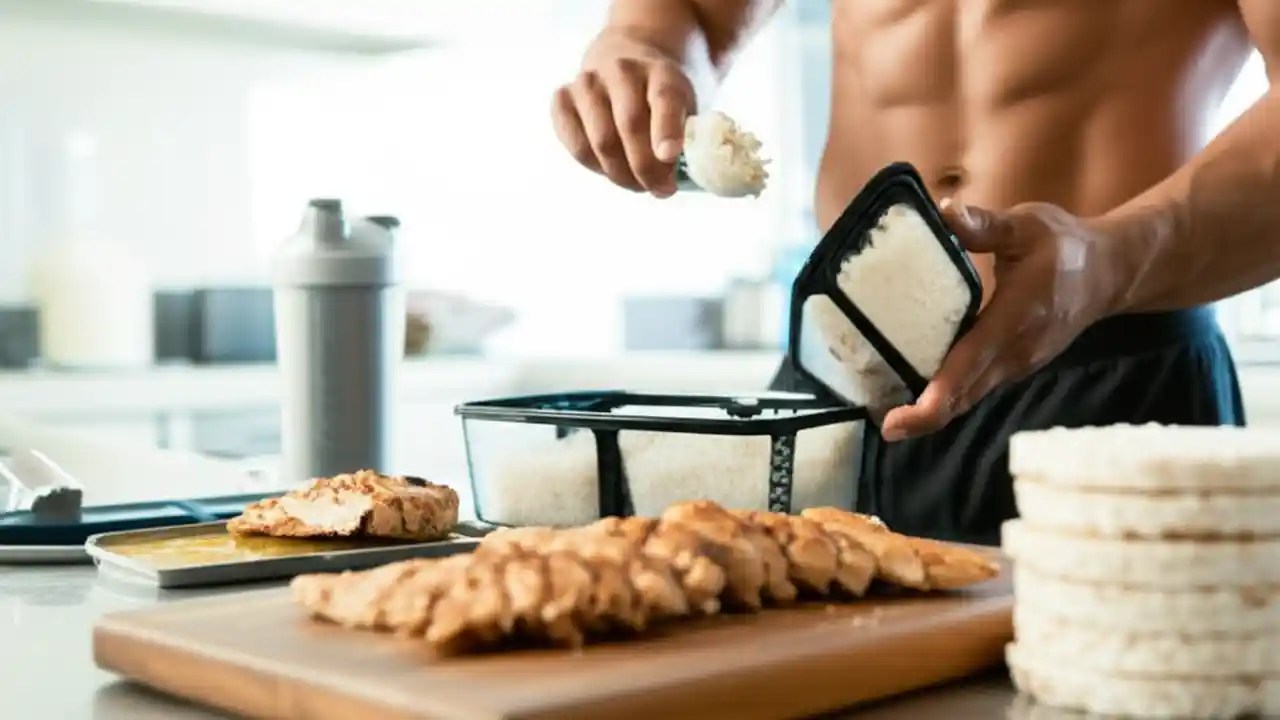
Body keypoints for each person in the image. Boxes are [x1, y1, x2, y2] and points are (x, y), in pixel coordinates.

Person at [550, 0, 1280, 545]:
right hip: (837, 383)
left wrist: (1110, 260)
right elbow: (690, 18)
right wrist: (640, 48)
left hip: (1111, 376)